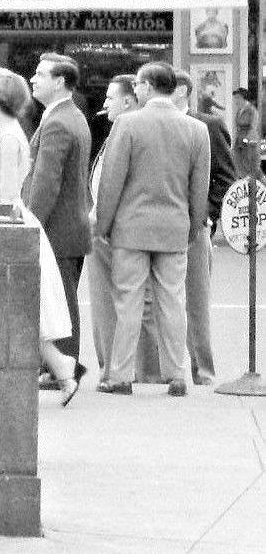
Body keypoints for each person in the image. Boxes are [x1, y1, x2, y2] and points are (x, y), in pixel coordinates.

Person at [94, 62, 209, 397]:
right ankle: (176, 374)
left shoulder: (127, 125)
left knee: (127, 301)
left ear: (145, 86)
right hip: (174, 228)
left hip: (130, 228)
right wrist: (193, 226)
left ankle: (120, 375)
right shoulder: (195, 129)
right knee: (173, 301)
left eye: (138, 84)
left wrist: (104, 224)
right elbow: (198, 187)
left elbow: (112, 181)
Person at [0, 68, 82, 403]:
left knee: (26, 305)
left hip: (9, 221)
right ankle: (64, 371)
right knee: (29, 307)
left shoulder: (9, 136)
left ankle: (60, 369)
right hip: (12, 220)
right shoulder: (6, 133)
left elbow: (9, 191)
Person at [138, 71, 236, 386]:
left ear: (181, 90)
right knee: (155, 302)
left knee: (194, 303)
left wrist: (203, 217)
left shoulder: (208, 125)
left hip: (193, 228)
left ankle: (202, 372)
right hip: (155, 226)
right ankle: (161, 370)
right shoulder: (144, 122)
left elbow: (223, 177)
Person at [23, 53, 94, 376]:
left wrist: (30, 224)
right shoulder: (71, 116)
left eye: (41, 74)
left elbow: (45, 185)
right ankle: (60, 365)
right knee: (61, 300)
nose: (33, 79)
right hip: (70, 227)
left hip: (57, 231)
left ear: (60, 82)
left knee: (59, 303)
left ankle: (64, 368)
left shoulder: (56, 123)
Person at [85, 75, 138, 374]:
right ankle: (114, 365)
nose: (104, 104)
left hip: (112, 227)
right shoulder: (115, 130)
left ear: (128, 100)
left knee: (112, 302)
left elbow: (117, 182)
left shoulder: (127, 131)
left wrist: (100, 221)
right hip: (107, 222)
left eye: (109, 98)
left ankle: (115, 368)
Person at [232, 87, 259, 180]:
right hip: (239, 141)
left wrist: (247, 139)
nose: (235, 101)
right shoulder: (239, 111)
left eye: (237, 98)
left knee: (250, 167)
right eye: (235, 98)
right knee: (238, 164)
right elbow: (237, 127)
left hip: (249, 142)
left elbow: (253, 126)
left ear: (243, 98)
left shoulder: (251, 110)